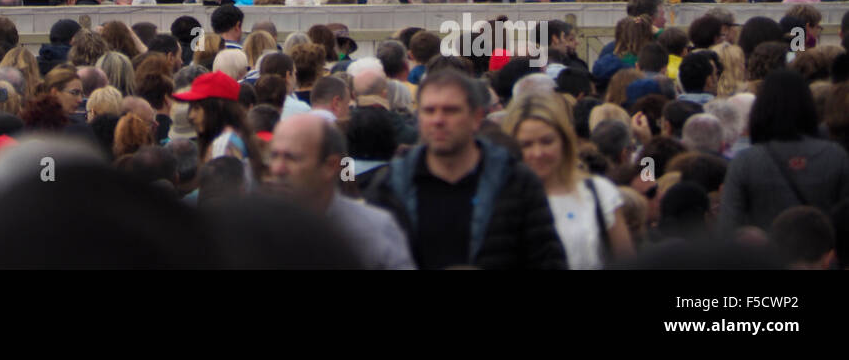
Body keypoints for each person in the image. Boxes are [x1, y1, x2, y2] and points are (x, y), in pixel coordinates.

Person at [371, 70, 566, 269]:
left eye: (451, 110)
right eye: (429, 111)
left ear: (476, 117)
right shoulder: (390, 186)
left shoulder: (516, 182)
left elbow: (548, 260)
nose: (438, 120)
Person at [503, 92, 633, 269]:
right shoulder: (498, 198)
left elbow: (626, 260)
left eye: (547, 141)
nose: (538, 153)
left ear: (564, 141)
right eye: (526, 144)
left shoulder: (599, 193)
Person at [266, 113, 413, 269]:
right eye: (274, 156)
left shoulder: (374, 231)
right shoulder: (253, 226)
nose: (278, 169)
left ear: (330, 165)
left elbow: (349, 183)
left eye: (291, 158)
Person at [718, 68, 849, 231]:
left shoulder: (745, 162)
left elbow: (728, 226)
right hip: (821, 252)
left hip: (763, 254)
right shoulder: (836, 156)